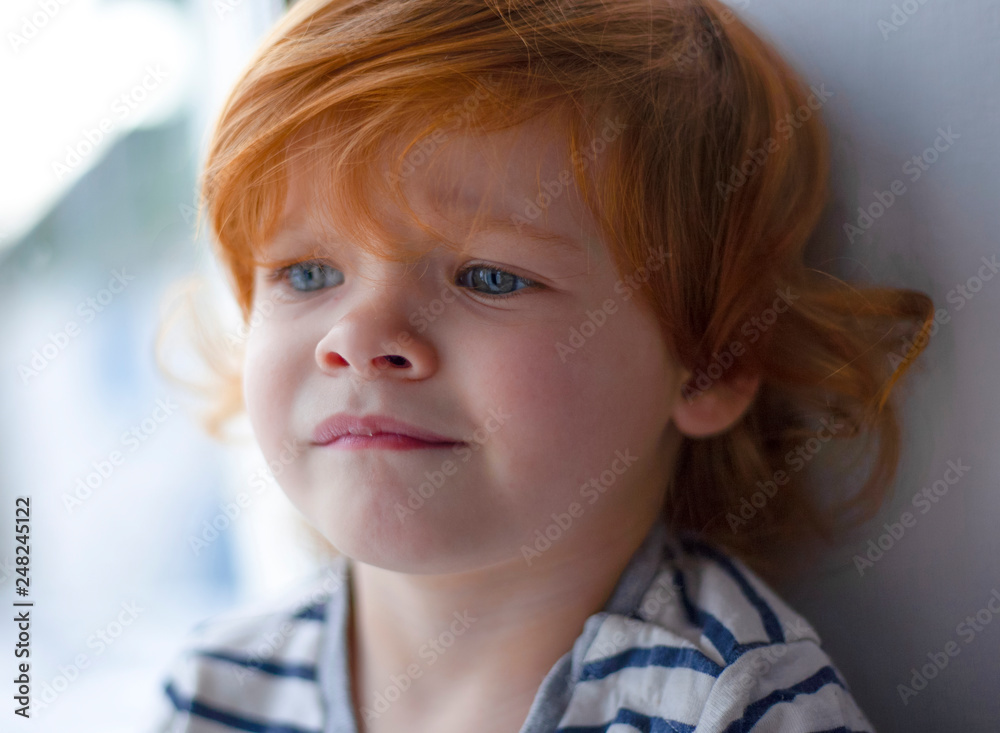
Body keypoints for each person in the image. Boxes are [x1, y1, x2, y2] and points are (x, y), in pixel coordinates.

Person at [149, 0, 935, 730]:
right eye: (308, 273)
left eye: (488, 276)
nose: (357, 337)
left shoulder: (729, 710)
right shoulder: (217, 688)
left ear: (712, 363)